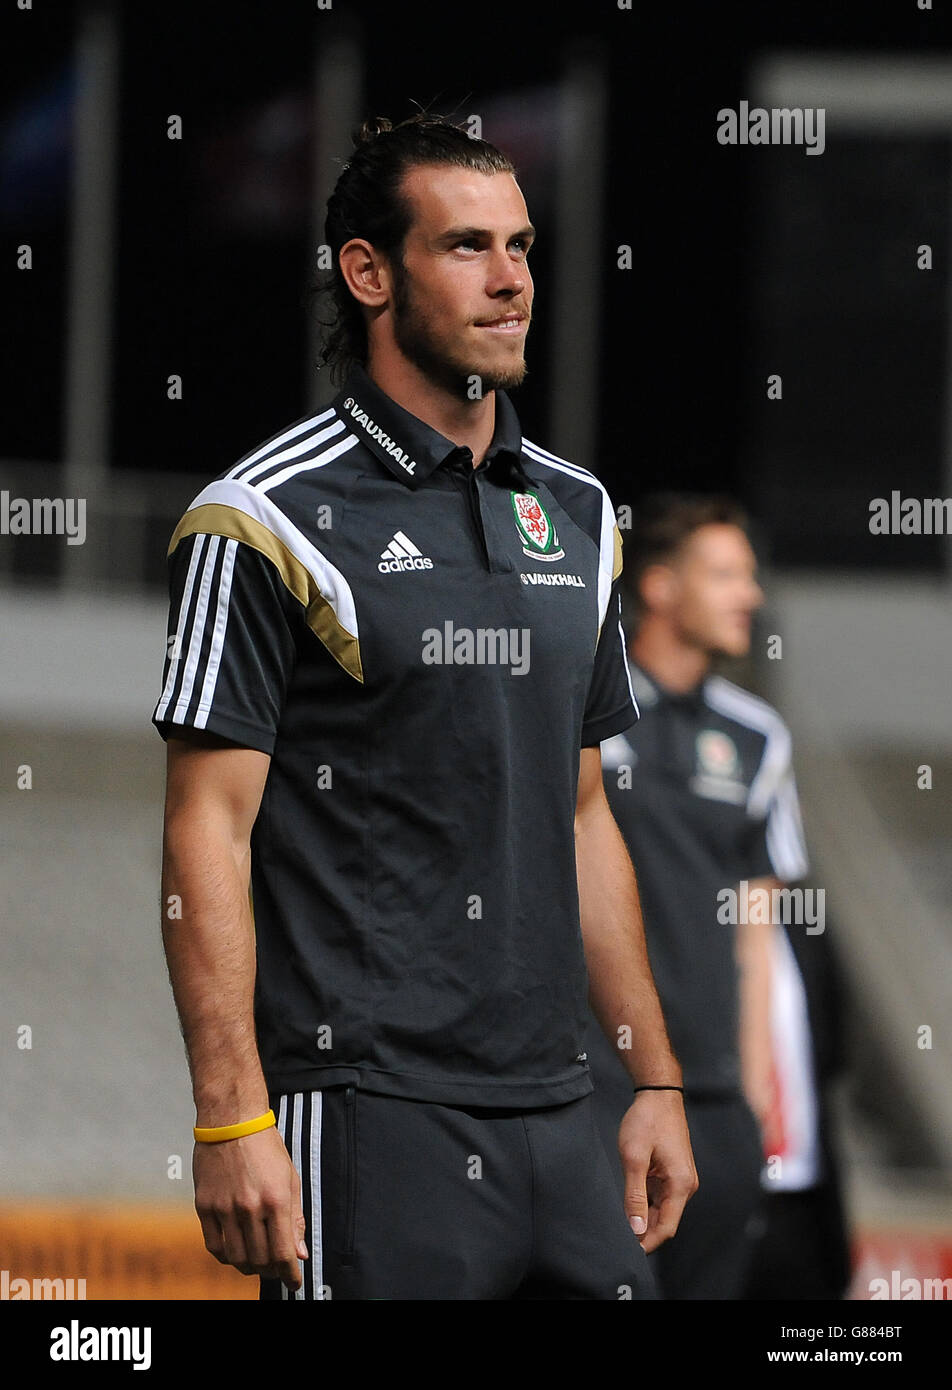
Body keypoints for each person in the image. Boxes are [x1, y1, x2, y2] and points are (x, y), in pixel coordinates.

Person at [152, 114, 696, 1301]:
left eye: (523, 245)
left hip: (564, 1107)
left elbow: (583, 810)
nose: (512, 283)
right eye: (466, 247)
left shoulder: (583, 513)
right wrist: (231, 1116)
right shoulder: (262, 519)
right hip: (366, 1111)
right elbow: (207, 829)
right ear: (369, 271)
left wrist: (652, 1077)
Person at [584, 493, 846, 1300]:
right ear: (660, 587)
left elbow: (757, 932)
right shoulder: (576, 704)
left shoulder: (759, 735)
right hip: (596, 1091)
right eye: (728, 574)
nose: (751, 595)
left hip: (718, 1105)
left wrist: (755, 1097)